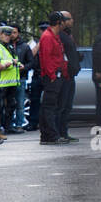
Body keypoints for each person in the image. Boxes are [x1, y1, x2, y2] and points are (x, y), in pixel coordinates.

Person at [38, 11, 69, 144]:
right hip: (52, 77)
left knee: (50, 106)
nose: (65, 23)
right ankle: (50, 135)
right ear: (58, 22)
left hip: (57, 75)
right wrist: (52, 75)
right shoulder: (48, 37)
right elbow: (46, 58)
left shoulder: (54, 36)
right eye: (63, 21)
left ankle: (47, 135)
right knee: (49, 107)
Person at [57, 10, 80, 142]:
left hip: (71, 75)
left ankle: (64, 132)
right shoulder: (60, 36)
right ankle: (59, 132)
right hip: (65, 75)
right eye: (70, 19)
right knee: (62, 105)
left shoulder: (68, 35)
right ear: (63, 21)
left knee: (67, 106)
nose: (72, 21)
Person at [0, 25, 21, 133]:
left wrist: (19, 64)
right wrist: (12, 63)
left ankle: (8, 126)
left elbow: (15, 59)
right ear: (0, 35)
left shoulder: (10, 46)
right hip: (2, 82)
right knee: (0, 106)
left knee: (12, 105)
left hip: (12, 82)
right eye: (5, 35)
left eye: (8, 35)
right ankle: (0, 127)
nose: (7, 37)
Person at [10, 25, 32, 133]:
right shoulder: (6, 45)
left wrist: (25, 67)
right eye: (11, 32)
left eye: (14, 32)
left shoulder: (24, 47)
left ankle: (19, 125)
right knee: (8, 103)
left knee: (20, 103)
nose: (12, 34)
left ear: (18, 33)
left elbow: (31, 62)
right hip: (8, 80)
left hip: (21, 78)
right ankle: (8, 125)